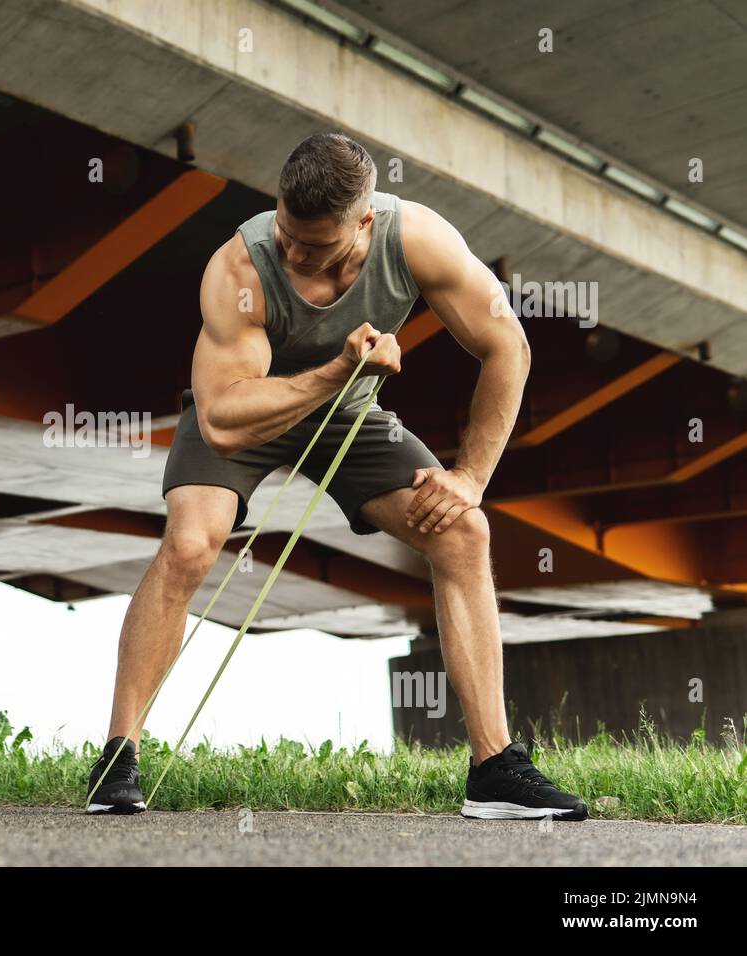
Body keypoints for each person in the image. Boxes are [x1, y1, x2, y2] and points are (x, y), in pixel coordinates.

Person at [86, 132, 586, 821]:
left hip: (349, 418)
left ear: (365, 222)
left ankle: (494, 770)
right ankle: (118, 756)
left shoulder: (418, 241)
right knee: (191, 545)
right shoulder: (241, 265)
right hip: (248, 409)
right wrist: (331, 372)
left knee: (464, 532)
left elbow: (508, 345)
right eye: (289, 235)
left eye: (314, 246)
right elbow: (226, 420)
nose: (294, 254)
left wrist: (470, 475)